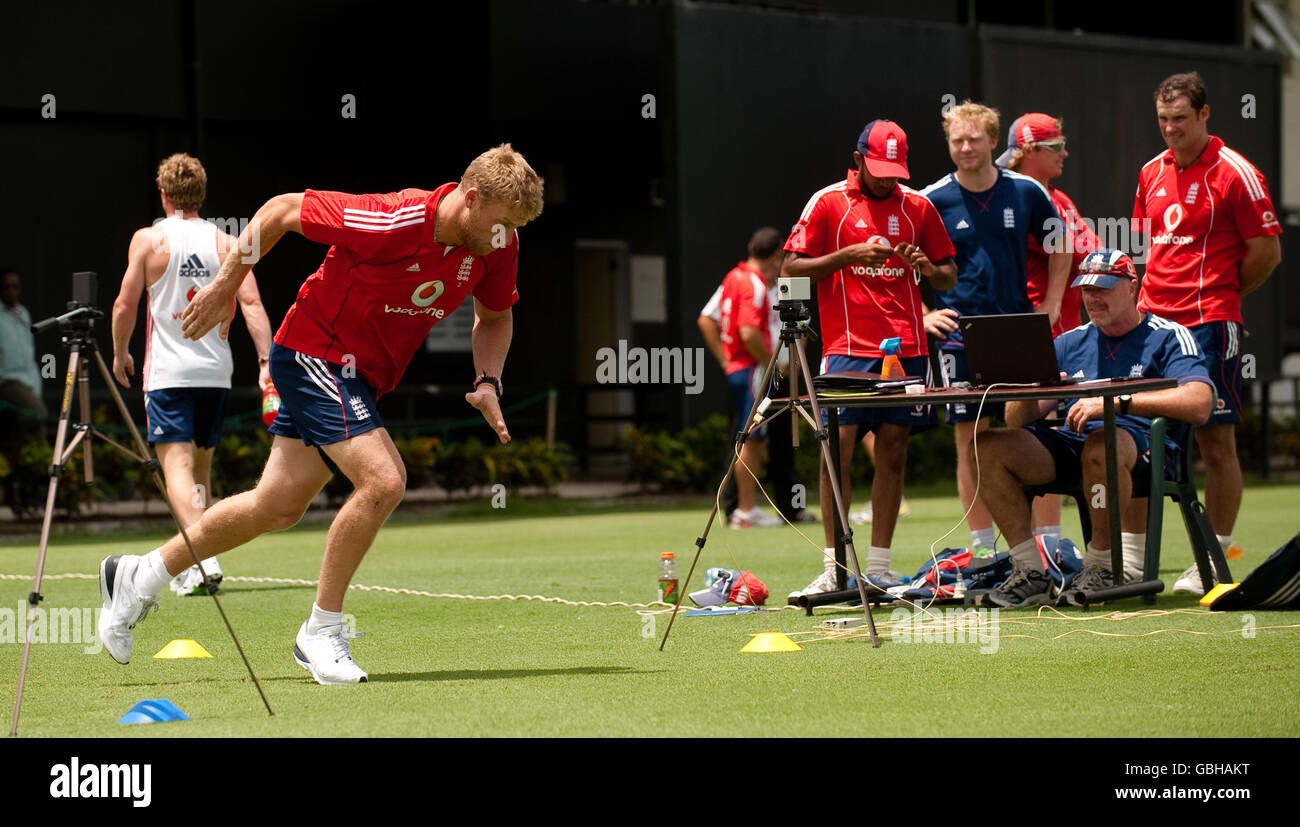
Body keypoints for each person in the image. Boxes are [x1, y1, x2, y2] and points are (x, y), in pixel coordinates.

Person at [96, 144, 544, 684]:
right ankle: (321, 633)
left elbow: (494, 318)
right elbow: (281, 211)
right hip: (314, 353)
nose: (507, 236)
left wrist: (487, 379)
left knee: (276, 505)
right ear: (471, 199)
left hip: (363, 376)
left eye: (515, 227)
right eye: (502, 223)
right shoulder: (392, 217)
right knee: (383, 481)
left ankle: (139, 575)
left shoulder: (499, 244)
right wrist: (226, 284)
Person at [975, 249, 1214, 608]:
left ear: (1132, 287)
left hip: (1144, 447)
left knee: (1102, 446)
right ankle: (1030, 572)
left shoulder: (1168, 335)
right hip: (1077, 444)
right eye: (1086, 289)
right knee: (990, 445)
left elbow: (1199, 402)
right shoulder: (1069, 341)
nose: (1092, 298)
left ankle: (1101, 565)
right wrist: (1031, 384)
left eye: (1103, 287)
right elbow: (1016, 420)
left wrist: (1120, 403)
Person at [782, 119, 957, 597]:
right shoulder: (828, 201)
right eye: (878, 168)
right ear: (858, 159)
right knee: (834, 453)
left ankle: (878, 567)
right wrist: (847, 254)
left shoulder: (918, 205)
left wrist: (927, 267)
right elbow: (790, 267)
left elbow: (948, 275)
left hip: (905, 349)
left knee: (894, 450)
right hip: (845, 350)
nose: (887, 179)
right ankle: (836, 565)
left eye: (894, 170)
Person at [1133, 72, 1282, 595]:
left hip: (1210, 322)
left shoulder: (1236, 173)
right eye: (1162, 120)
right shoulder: (1150, 172)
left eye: (1179, 119)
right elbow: (1144, 248)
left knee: (1217, 442)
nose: (1170, 130)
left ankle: (1213, 559)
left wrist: (1221, 293)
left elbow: (1267, 252)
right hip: (1152, 323)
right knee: (1133, 434)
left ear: (1204, 115)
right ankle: (1131, 562)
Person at [111, 153, 275, 596]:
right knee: (200, 469)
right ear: (201, 194)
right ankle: (195, 559)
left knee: (177, 470)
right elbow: (253, 304)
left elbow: (125, 304)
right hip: (214, 372)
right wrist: (266, 364)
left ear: (163, 194)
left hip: (167, 373)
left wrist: (120, 353)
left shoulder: (148, 240)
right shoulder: (227, 242)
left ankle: (202, 557)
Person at [919, 101, 1069, 555]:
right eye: (956, 140)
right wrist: (922, 314)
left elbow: (1060, 244)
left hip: (1018, 331)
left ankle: (1047, 544)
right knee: (968, 437)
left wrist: (1053, 303)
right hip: (959, 335)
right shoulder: (931, 198)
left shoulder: (1025, 191)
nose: (965, 148)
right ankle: (983, 548)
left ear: (991, 140)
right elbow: (903, 264)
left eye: (974, 139)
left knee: (1034, 428)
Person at [997, 113, 1104, 556]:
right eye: (1055, 145)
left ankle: (1053, 545)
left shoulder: (1060, 199)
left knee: (1061, 438)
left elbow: (1092, 252)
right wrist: (1051, 304)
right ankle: (993, 547)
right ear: (1028, 152)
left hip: (1066, 339)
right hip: (1029, 338)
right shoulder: (1016, 198)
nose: (1065, 152)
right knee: (995, 435)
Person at [700, 227, 786, 529]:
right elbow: (749, 332)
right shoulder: (754, 284)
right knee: (752, 439)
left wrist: (725, 360)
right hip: (751, 368)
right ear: (776, 254)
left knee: (749, 437)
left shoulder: (733, 277)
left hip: (738, 367)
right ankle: (746, 510)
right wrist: (770, 363)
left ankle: (746, 508)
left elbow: (708, 319)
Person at [0, 268, 48, 509]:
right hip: (6, 382)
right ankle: (32, 481)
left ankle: (27, 487)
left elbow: (29, 356)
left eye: (14, 286)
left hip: (27, 383)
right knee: (37, 416)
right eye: (6, 286)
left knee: (18, 434)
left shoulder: (23, 314)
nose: (11, 291)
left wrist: (34, 384)